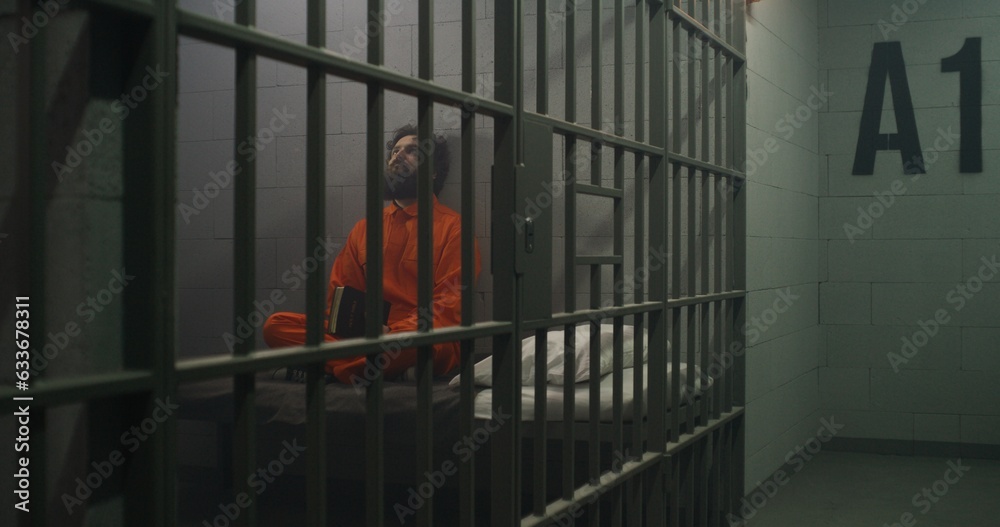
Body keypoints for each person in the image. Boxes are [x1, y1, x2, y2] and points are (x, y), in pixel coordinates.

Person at [262, 124, 481, 383]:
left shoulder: (454, 228)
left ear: (433, 172)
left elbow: (448, 306)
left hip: (418, 336)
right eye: (395, 151)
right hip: (364, 336)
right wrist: (366, 330)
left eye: (411, 151)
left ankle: (333, 372)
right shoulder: (365, 228)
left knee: (428, 344)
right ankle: (381, 371)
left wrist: (391, 332)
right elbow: (341, 298)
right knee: (276, 326)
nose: (398, 156)